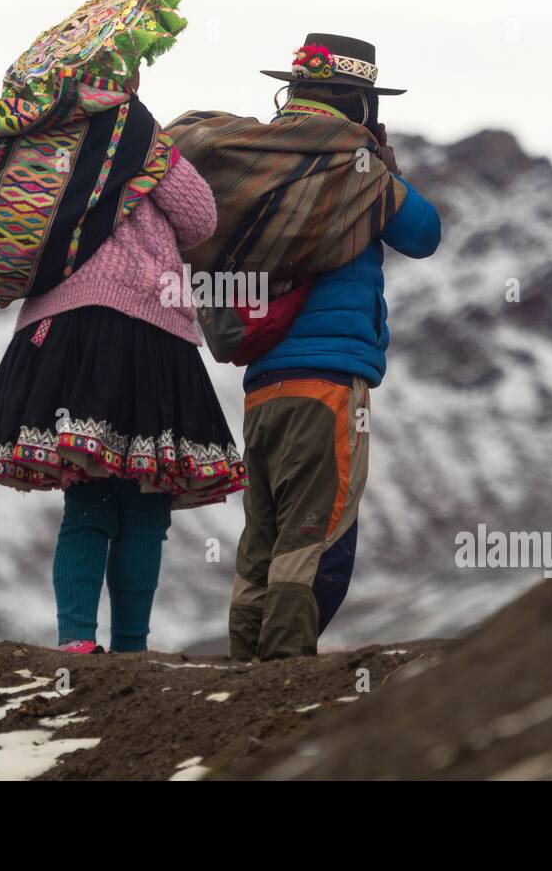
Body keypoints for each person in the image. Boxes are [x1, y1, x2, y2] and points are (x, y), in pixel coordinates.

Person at [0, 0, 246, 656]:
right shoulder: (135, 131)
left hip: (57, 331)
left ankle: (76, 642)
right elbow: (200, 217)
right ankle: (130, 651)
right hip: (141, 326)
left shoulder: (36, 139)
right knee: (144, 503)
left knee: (89, 495)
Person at [168, 33, 441, 660]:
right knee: (317, 539)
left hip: (262, 384)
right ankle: (284, 675)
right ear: (361, 104)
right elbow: (425, 233)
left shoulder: (262, 162)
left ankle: (240, 677)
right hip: (329, 381)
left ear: (293, 93)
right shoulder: (354, 166)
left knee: (262, 541)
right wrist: (383, 161)